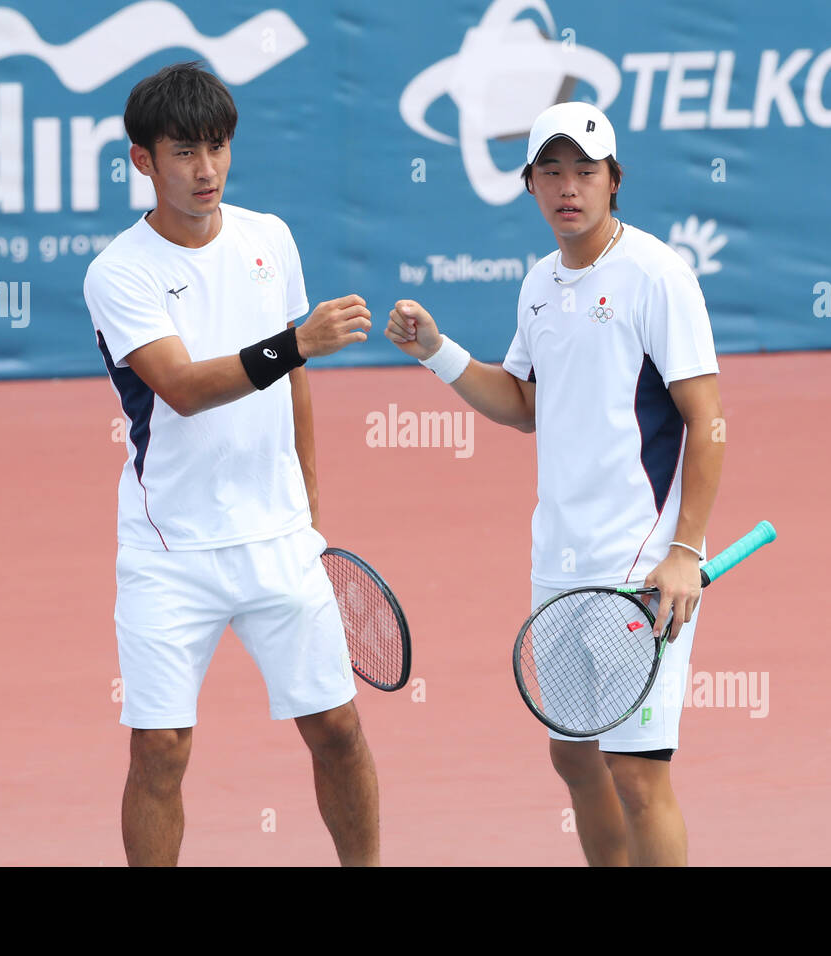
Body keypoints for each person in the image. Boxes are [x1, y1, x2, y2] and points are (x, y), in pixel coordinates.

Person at [385, 102, 724, 866]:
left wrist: (685, 549)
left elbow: (708, 422)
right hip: (560, 565)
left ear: (614, 181)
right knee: (574, 757)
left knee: (637, 774)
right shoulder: (539, 285)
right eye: (552, 172)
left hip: (644, 567)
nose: (569, 187)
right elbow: (525, 404)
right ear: (530, 183)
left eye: (585, 172)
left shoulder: (657, 275)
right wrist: (438, 352)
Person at [83, 61, 380, 866]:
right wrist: (295, 341)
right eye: (184, 152)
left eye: (216, 148)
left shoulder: (268, 239)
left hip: (278, 537)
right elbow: (179, 387)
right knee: (161, 751)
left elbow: (294, 386)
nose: (205, 169)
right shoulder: (119, 272)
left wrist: (310, 509)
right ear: (144, 161)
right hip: (169, 550)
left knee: (339, 731)